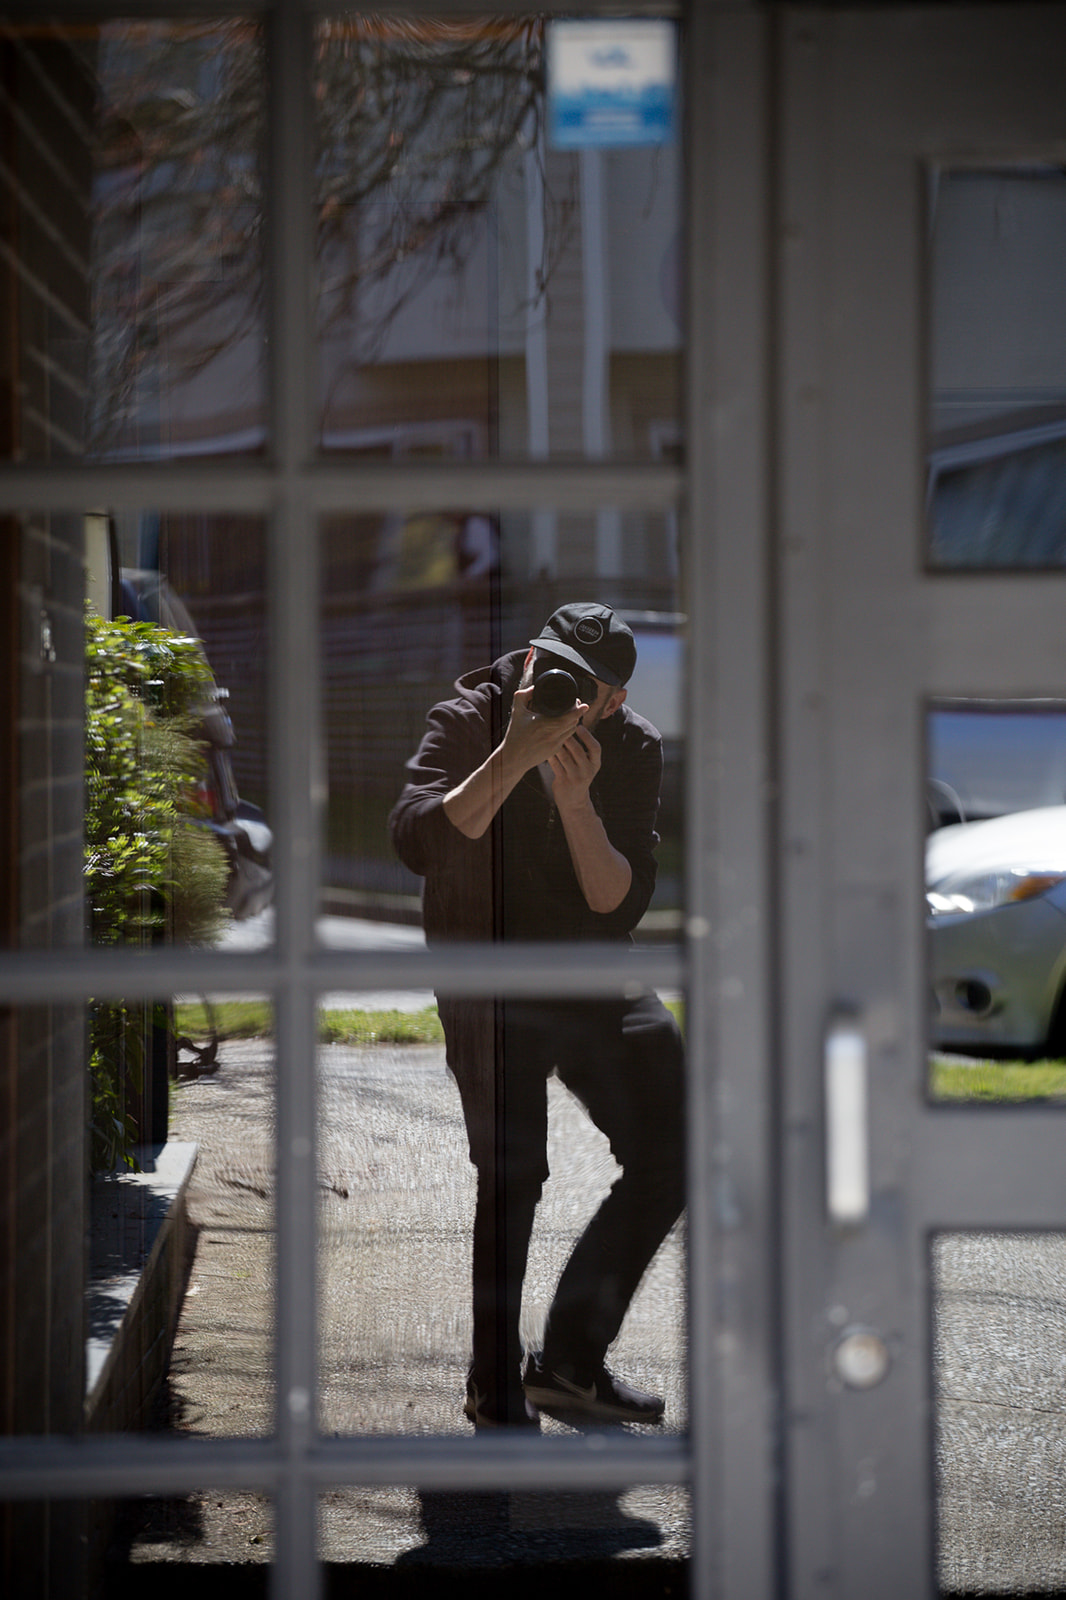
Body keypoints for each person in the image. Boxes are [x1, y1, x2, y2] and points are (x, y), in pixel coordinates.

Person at [388, 602, 686, 1428]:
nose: (545, 686)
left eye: (575, 686)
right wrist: (515, 756)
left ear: (612, 703)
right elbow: (416, 841)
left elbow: (614, 904)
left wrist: (577, 800)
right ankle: (495, 1386)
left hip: (590, 970)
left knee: (675, 1145)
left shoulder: (631, 750)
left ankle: (569, 1367)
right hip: (488, 977)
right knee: (515, 1175)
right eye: (540, 664)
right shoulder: (470, 720)